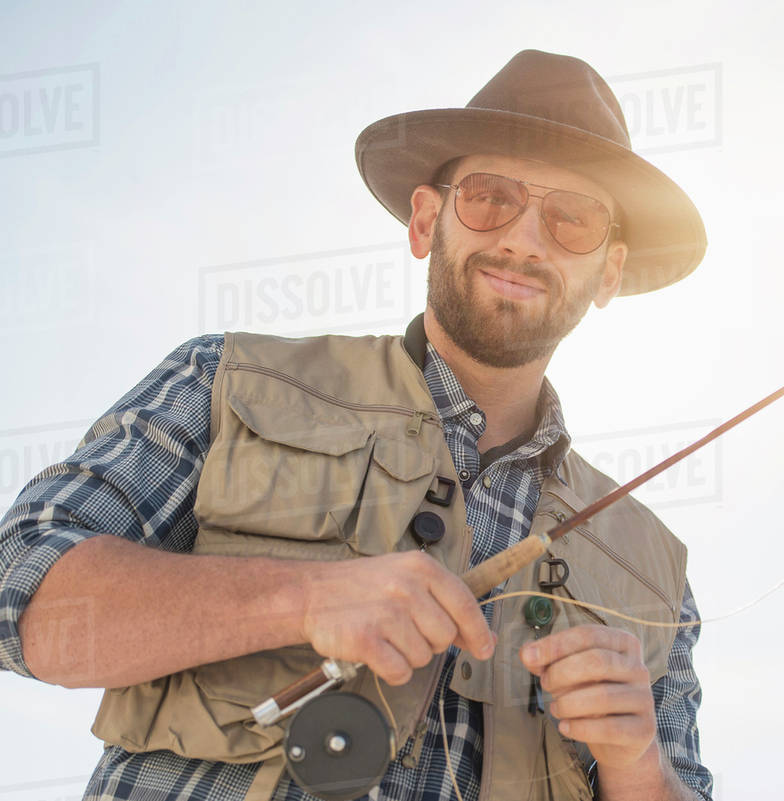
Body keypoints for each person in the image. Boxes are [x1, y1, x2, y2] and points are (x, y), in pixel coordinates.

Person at [0, 50, 711, 801]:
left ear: (607, 272)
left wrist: (636, 766)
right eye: (491, 198)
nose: (527, 241)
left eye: (573, 218)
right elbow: (20, 589)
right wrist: (301, 599)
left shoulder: (656, 573)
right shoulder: (221, 379)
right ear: (427, 221)